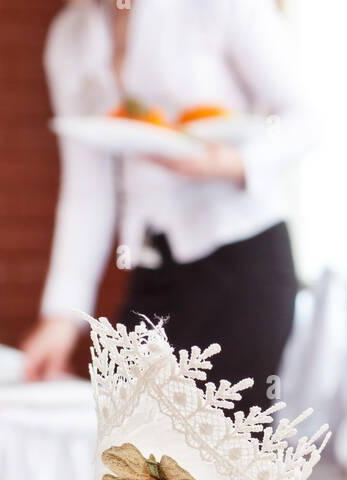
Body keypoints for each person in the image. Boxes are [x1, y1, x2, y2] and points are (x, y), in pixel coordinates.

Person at [23, 0, 314, 412]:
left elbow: (305, 115)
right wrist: (61, 316)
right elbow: (87, 192)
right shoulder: (70, 39)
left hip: (244, 266)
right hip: (154, 268)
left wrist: (229, 163)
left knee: (221, 462)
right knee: (128, 453)